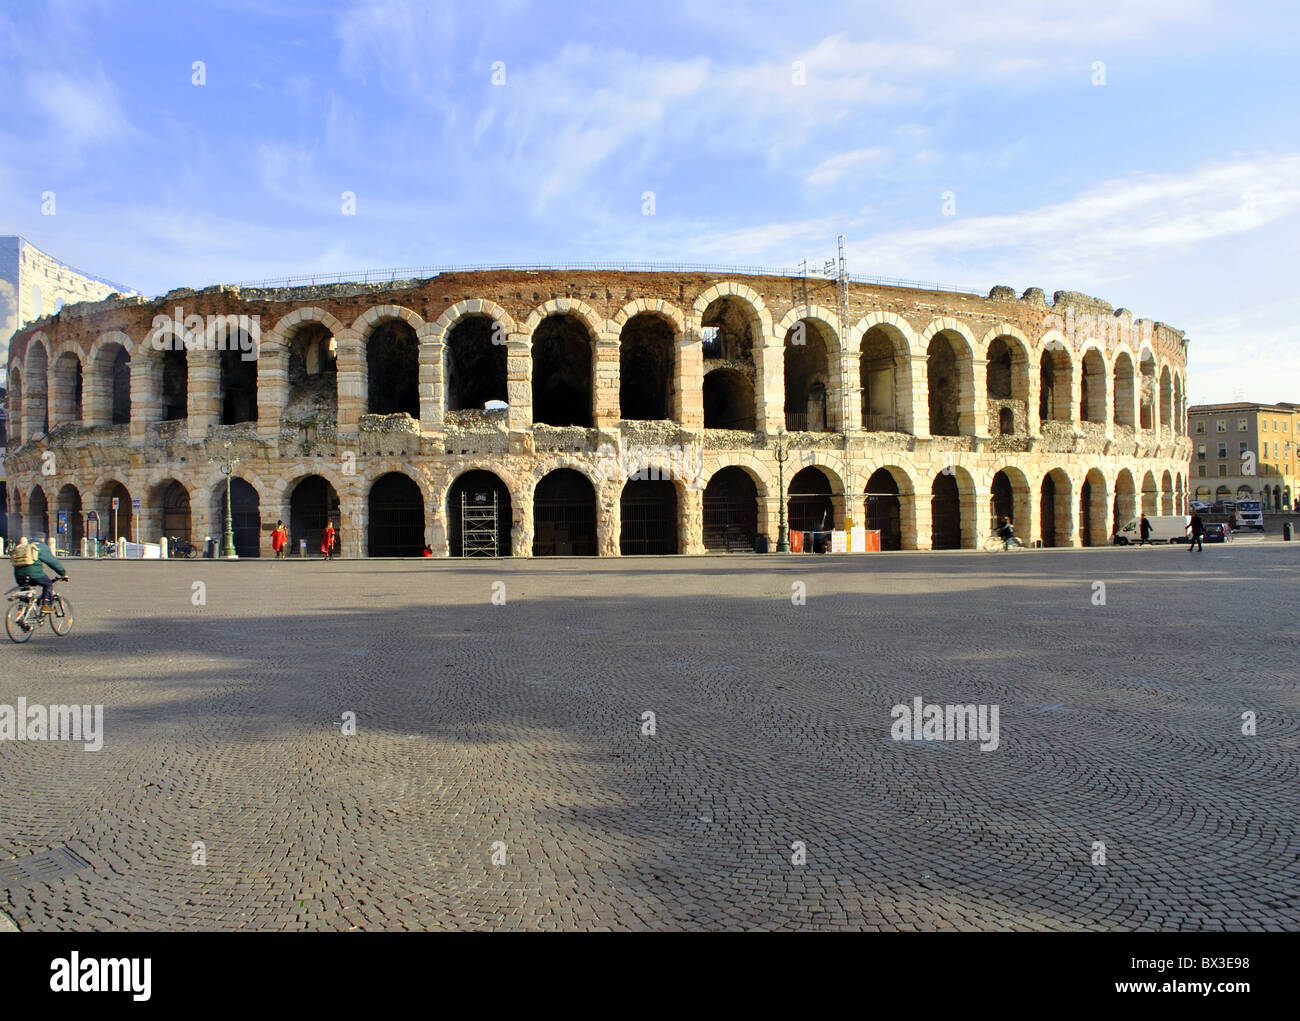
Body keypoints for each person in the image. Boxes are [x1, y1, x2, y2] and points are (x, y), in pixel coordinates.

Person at [10, 536, 68, 613]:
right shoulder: (40, 547)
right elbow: (53, 562)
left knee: (26, 593)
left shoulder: (25, 547)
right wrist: (63, 573)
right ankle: (46, 605)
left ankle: (22, 615)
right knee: (48, 584)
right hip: (33, 573)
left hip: (18, 575)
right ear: (42, 539)